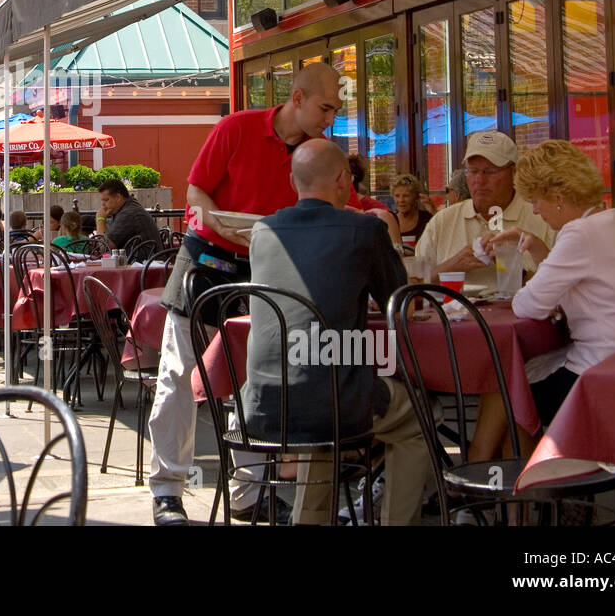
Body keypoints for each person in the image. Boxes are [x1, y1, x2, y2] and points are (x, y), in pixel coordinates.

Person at [148, 62, 343, 526]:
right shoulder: (236, 128)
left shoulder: (319, 154)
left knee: (256, 378)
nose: (330, 118)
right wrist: (214, 220)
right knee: (180, 373)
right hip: (207, 258)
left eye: (336, 109)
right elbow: (196, 191)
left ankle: (249, 492)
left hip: (269, 268)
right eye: (325, 107)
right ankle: (168, 489)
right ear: (297, 98)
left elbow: (342, 203)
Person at [244, 141, 429, 525]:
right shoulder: (365, 228)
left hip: (260, 404)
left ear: (293, 181)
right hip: (331, 399)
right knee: (419, 418)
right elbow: (405, 306)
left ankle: (308, 520)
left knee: (323, 392)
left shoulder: (262, 231)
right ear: (344, 179)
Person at [467, 140, 615, 460]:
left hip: (607, 374)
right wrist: (535, 248)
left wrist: (535, 268)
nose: (534, 210)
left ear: (558, 199)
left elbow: (527, 305)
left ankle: (519, 486)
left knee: (508, 385)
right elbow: (576, 283)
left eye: (535, 200)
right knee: (514, 378)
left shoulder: (579, 235)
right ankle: (519, 488)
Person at [413, 131, 554, 291]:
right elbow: (413, 286)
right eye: (472, 171)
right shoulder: (443, 221)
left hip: (520, 314)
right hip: (450, 315)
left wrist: (513, 268)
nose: (479, 180)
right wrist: (450, 267)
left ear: (514, 173)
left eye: (490, 171)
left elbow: (561, 290)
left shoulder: (542, 219)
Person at [96, 179, 160, 251]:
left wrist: (100, 219)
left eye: (106, 200)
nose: (103, 204)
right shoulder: (126, 208)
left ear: (118, 198)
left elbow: (105, 247)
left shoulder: (128, 214)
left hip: (146, 261)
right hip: (143, 260)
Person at [391, 174, 432, 241]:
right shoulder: (390, 220)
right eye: (397, 196)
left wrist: (433, 211)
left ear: (415, 197)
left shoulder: (427, 219)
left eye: (406, 196)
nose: (401, 200)